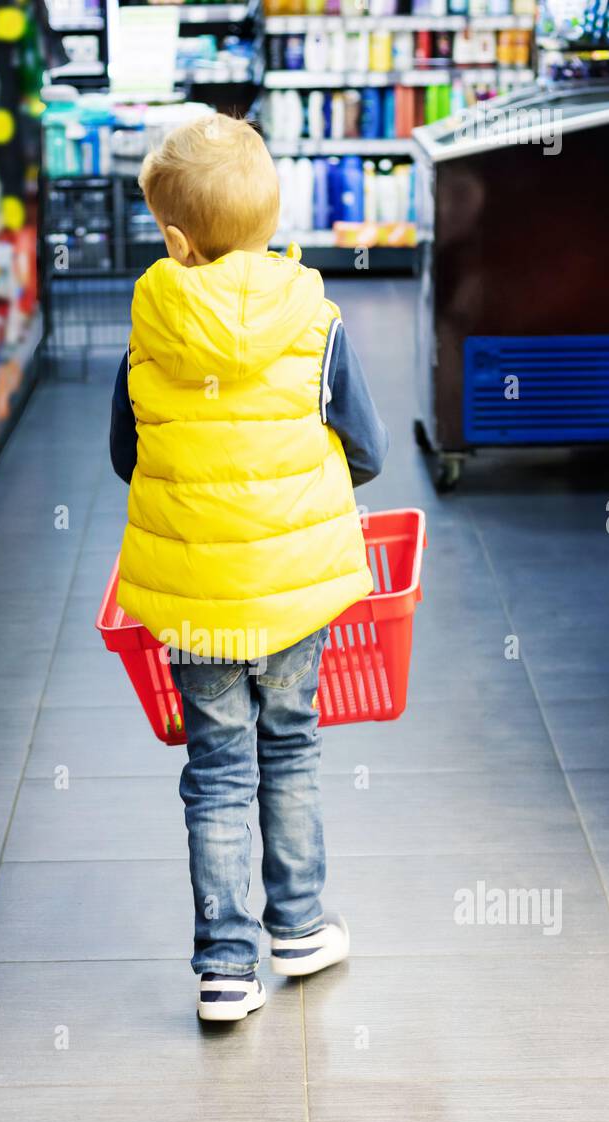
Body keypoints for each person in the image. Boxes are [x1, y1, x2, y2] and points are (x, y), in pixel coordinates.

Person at [109, 115, 388, 1022]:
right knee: (293, 748)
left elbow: (126, 454)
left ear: (177, 239)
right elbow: (371, 451)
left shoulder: (148, 328)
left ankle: (226, 969)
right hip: (295, 590)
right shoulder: (319, 320)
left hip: (196, 603)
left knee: (218, 772)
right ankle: (301, 928)